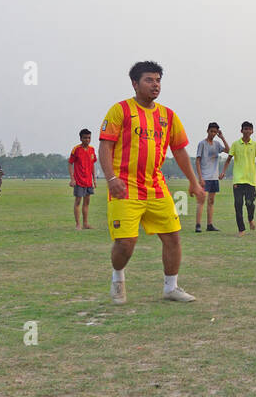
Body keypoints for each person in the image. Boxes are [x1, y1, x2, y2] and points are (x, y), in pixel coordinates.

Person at [99, 60, 205, 304]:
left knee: (173, 237)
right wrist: (111, 178)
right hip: (125, 187)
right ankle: (117, 279)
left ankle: (171, 287)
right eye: (149, 80)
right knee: (126, 243)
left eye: (158, 80)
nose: (155, 85)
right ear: (135, 84)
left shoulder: (168, 116)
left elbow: (179, 150)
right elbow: (105, 145)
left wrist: (193, 182)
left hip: (156, 188)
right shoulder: (120, 110)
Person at [221, 121, 256, 236]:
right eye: (245, 129)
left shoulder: (255, 145)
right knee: (238, 204)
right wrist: (223, 172)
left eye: (249, 129)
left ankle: (251, 218)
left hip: (250, 180)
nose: (247, 131)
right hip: (238, 180)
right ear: (241, 131)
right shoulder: (235, 144)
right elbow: (228, 159)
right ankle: (241, 229)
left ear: (252, 131)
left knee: (250, 203)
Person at [193, 122, 229, 232]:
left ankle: (209, 225)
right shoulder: (202, 144)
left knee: (211, 201)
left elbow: (228, 150)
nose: (213, 133)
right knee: (201, 201)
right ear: (207, 131)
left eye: (215, 132)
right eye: (211, 131)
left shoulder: (217, 144)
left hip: (214, 177)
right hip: (204, 176)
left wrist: (222, 137)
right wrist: (200, 177)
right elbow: (198, 161)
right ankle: (198, 225)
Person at [69, 128, 97, 230]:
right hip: (79, 181)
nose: (87, 140)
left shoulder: (92, 150)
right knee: (78, 201)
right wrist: (72, 179)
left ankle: (85, 223)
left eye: (89, 138)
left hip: (88, 181)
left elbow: (93, 164)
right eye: (85, 138)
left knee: (87, 202)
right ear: (80, 138)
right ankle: (78, 224)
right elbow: (70, 163)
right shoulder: (76, 149)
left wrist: (94, 179)